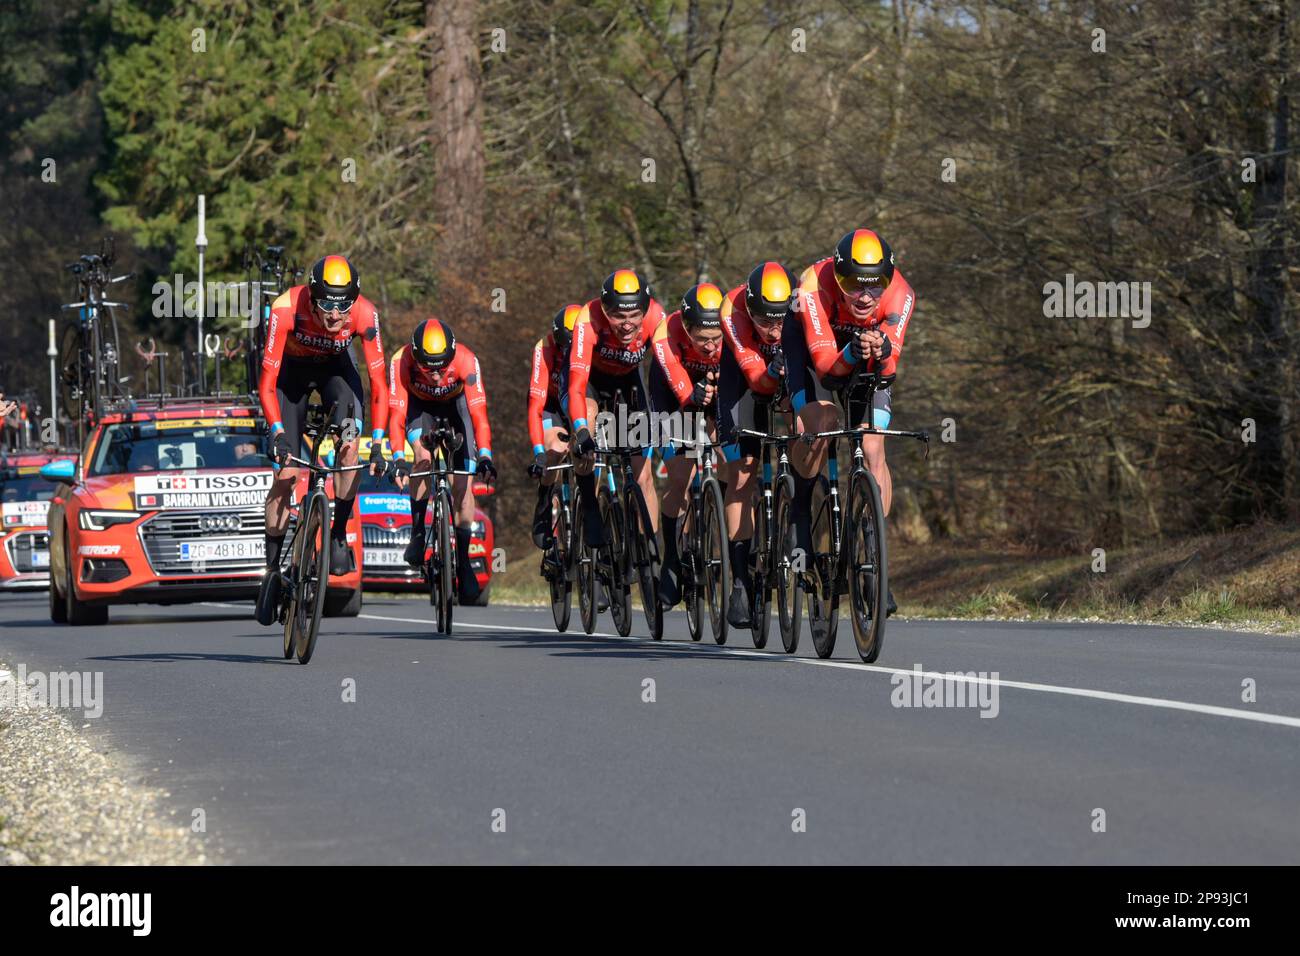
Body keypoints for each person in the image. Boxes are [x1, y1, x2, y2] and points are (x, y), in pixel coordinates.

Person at [783, 228, 917, 616]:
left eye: (874, 287)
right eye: (852, 284)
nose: (864, 297)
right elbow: (826, 370)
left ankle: (874, 551)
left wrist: (884, 346)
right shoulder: (812, 288)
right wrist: (853, 347)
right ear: (837, 277)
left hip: (865, 357)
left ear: (888, 282)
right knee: (823, 420)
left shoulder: (903, 295)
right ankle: (801, 514)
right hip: (812, 355)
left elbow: (888, 364)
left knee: (873, 443)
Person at [256, 255, 388, 625]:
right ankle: (272, 570)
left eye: (343, 303)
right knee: (285, 475)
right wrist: (278, 433)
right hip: (289, 378)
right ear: (312, 297)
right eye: (327, 303)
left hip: (335, 371)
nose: (335, 313)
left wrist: (377, 442)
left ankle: (338, 533)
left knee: (349, 447)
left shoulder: (364, 314)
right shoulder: (284, 309)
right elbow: (266, 385)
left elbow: (379, 387)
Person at [388, 317, 496, 605]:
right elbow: (396, 415)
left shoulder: (466, 360)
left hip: (456, 409)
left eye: (441, 369)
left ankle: (462, 561)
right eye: (427, 369)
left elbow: (479, 416)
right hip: (419, 408)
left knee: (463, 485)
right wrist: (398, 457)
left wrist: (485, 455)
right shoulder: (401, 360)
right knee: (423, 457)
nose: (435, 377)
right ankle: (418, 532)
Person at [717, 261, 794, 627]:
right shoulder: (731, 311)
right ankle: (740, 581)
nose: (774, 329)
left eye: (781, 320)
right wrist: (772, 373)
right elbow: (755, 380)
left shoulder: (799, 312)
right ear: (749, 309)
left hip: (786, 367)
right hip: (743, 379)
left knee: (805, 433)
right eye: (765, 320)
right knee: (744, 471)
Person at [566, 269, 664, 547]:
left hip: (629, 380)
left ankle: (650, 554)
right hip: (591, 382)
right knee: (586, 420)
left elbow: (669, 369)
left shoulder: (657, 317)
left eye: (634, 315)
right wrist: (582, 430)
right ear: (605, 311)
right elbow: (576, 385)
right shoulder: (588, 319)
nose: (627, 324)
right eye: (618, 316)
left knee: (643, 475)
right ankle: (589, 506)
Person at [649, 282, 724, 608]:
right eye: (702, 339)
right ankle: (671, 560)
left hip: (715, 393)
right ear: (687, 328)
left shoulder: (730, 333)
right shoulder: (666, 334)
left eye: (716, 339)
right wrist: (692, 395)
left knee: (727, 458)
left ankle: (710, 527)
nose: (709, 347)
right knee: (680, 474)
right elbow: (682, 392)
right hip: (672, 394)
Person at [526, 304, 581, 548]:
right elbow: (535, 405)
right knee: (555, 450)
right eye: (564, 348)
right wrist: (539, 452)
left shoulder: (592, 342)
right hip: (552, 405)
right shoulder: (545, 348)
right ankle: (545, 501)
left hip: (583, 400)